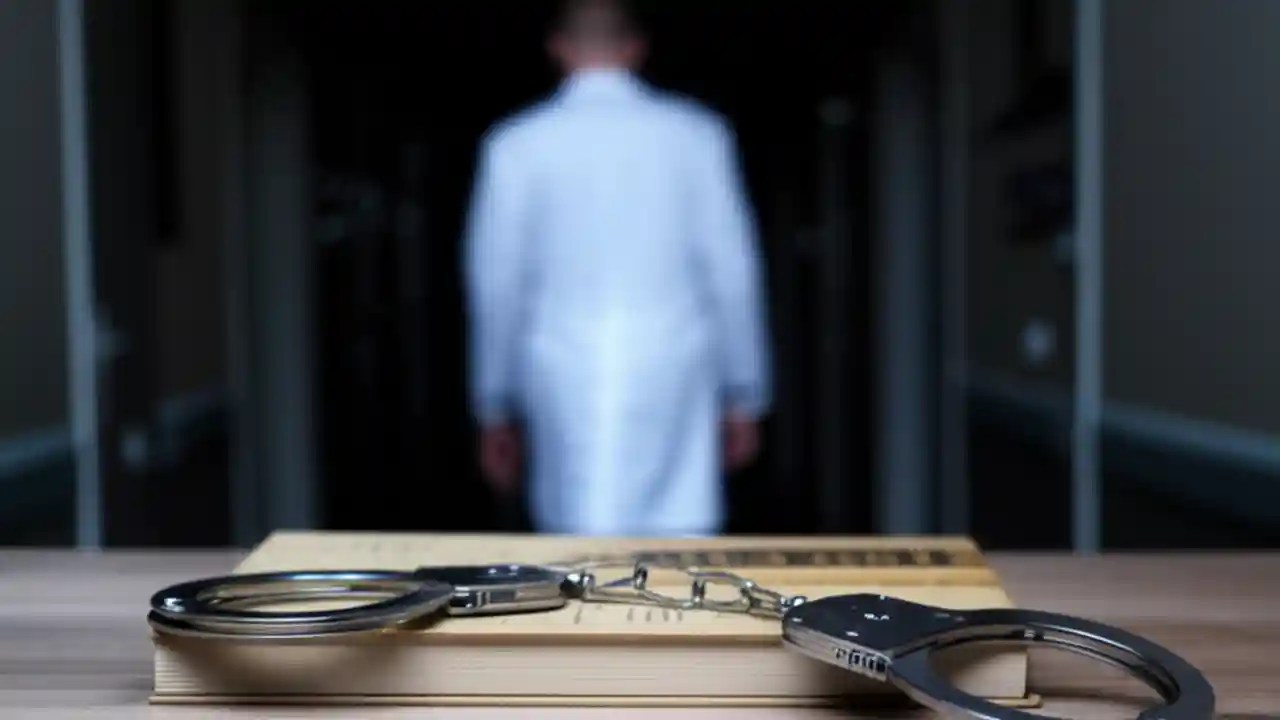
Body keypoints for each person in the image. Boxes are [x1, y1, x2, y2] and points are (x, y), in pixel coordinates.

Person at [463, 0, 769, 536]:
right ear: (635, 49)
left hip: (559, 362)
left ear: (558, 48)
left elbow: (497, 283)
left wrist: (495, 401)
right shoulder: (696, 136)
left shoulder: (516, 144)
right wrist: (745, 390)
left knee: (579, 535)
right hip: (675, 358)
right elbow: (731, 271)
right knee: (679, 533)